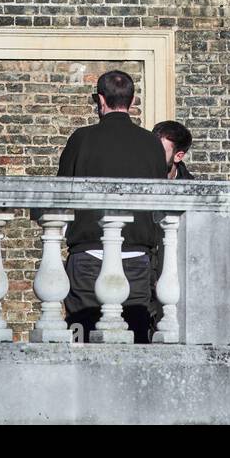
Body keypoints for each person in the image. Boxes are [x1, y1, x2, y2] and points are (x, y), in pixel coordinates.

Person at [57, 70, 167, 342]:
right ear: (131, 100)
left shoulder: (81, 139)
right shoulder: (152, 144)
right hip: (136, 254)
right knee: (136, 338)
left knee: (83, 338)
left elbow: (60, 194)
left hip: (89, 252)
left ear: (101, 100)